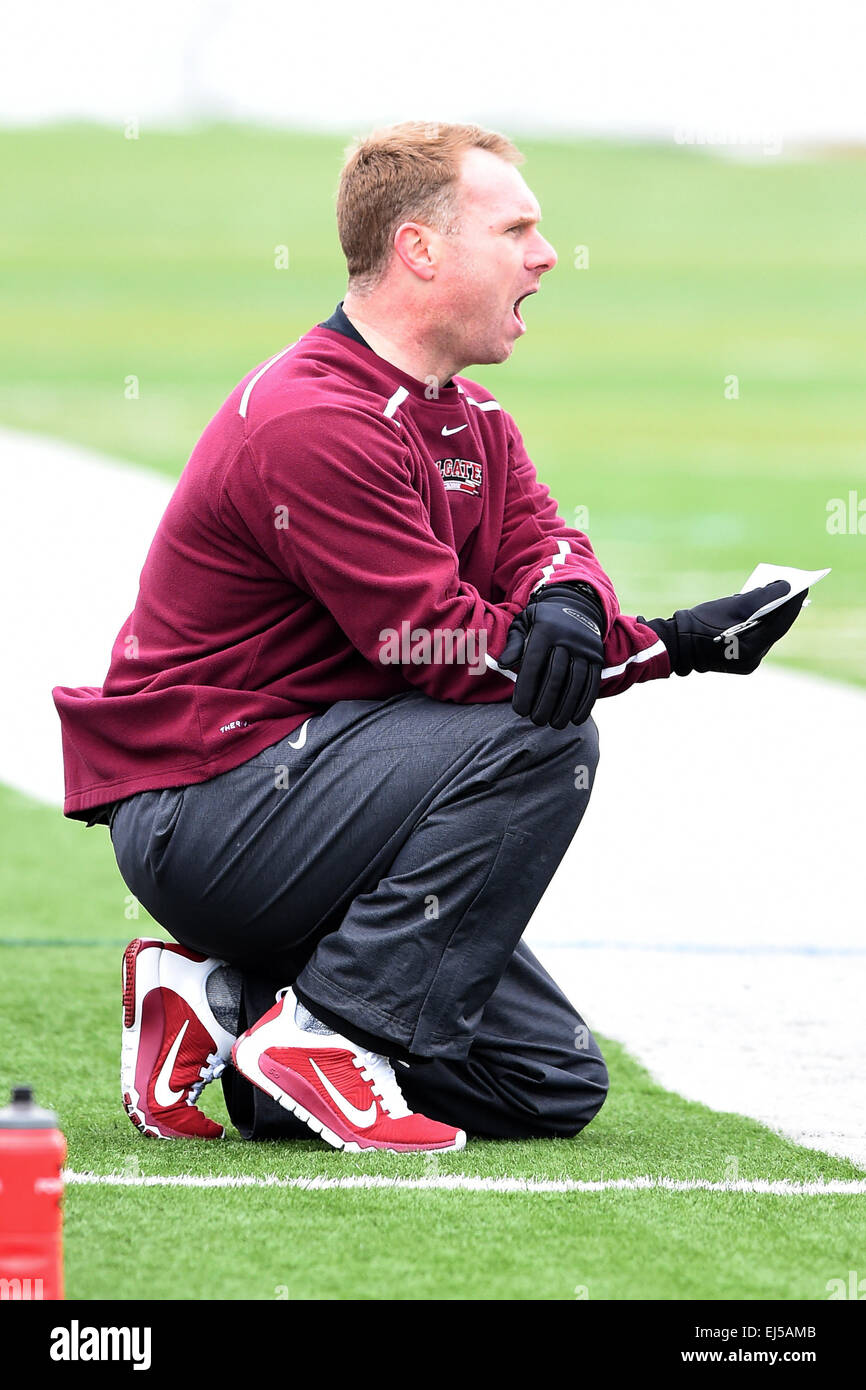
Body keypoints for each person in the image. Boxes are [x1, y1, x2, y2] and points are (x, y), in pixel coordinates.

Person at [53, 121, 805, 1153]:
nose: (544, 255)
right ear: (420, 250)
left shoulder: (468, 415)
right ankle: (322, 1030)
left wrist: (574, 601)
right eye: (516, 228)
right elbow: (441, 650)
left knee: (543, 1085)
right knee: (541, 733)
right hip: (209, 802)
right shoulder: (313, 418)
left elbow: (548, 543)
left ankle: (224, 999)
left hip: (322, 802)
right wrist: (676, 642)